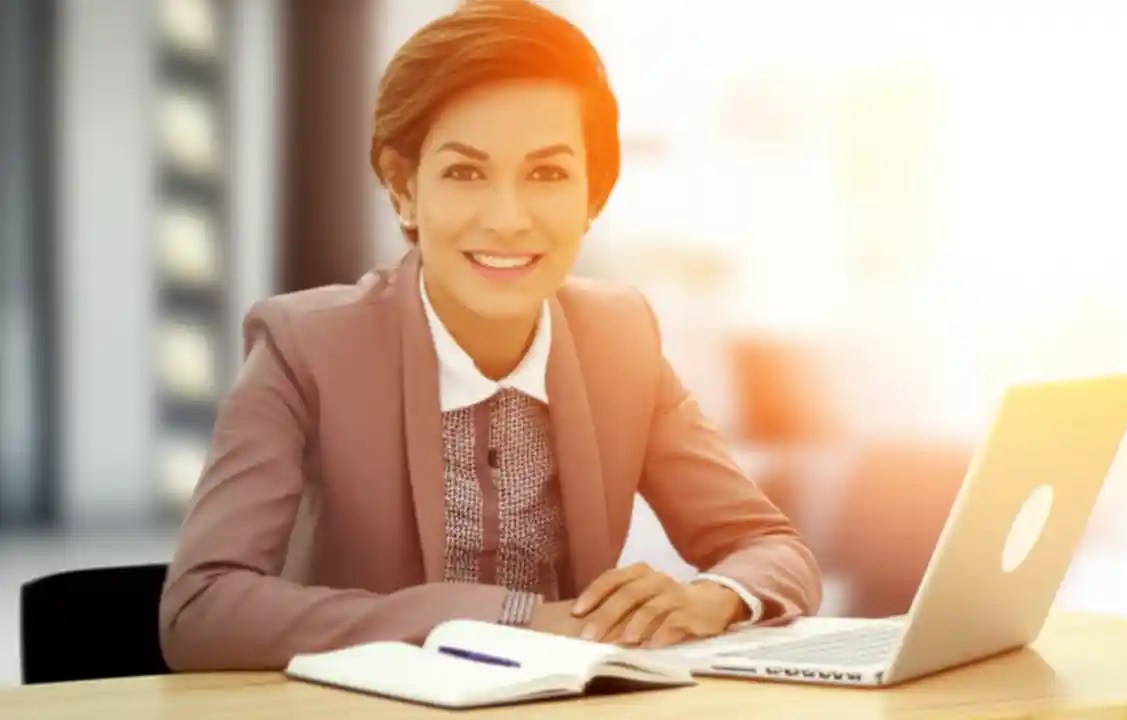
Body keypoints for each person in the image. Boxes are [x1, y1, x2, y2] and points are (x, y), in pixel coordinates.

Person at [159, 0, 821, 671]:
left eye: (548, 174)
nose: (508, 219)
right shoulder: (303, 349)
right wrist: (514, 621)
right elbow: (202, 611)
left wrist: (715, 596)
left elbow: (772, 548)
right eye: (466, 172)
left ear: (594, 196)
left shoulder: (621, 339)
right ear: (403, 188)